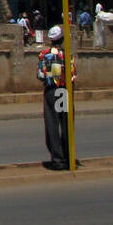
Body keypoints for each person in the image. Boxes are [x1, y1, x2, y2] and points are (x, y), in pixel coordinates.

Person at [38, 25, 74, 170]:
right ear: (62, 39)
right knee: (66, 124)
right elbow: (72, 75)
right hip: (64, 91)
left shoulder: (44, 54)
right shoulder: (67, 55)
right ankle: (68, 157)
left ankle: (57, 160)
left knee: (52, 125)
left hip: (51, 92)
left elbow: (40, 75)